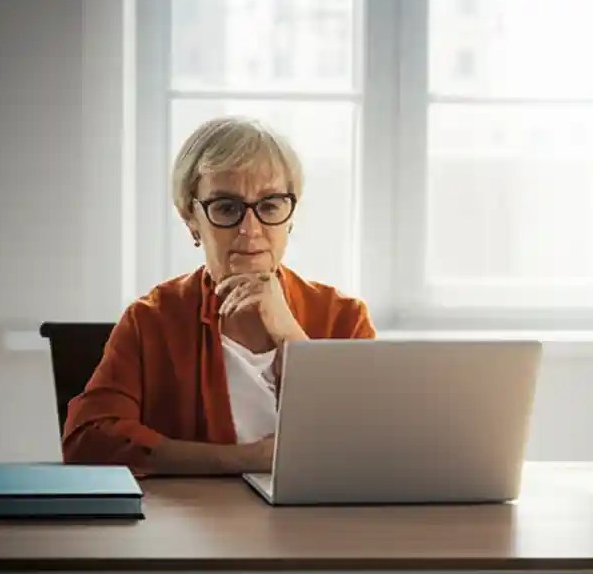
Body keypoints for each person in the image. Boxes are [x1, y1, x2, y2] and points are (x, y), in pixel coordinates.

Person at [62, 116, 375, 476]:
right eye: (227, 208)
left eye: (270, 206)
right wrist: (244, 460)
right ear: (191, 219)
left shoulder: (345, 318)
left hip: (318, 514)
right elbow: (87, 441)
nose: (250, 230)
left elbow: (374, 443)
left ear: (290, 216)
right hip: (197, 513)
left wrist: (291, 337)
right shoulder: (151, 320)